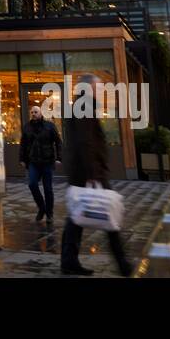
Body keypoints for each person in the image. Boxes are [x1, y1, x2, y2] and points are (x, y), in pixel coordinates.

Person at [61, 76, 131, 277]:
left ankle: (69, 261)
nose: (102, 90)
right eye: (98, 87)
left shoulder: (83, 105)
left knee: (77, 216)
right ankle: (122, 263)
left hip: (84, 171)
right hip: (89, 172)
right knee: (109, 214)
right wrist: (92, 173)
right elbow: (85, 142)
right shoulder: (83, 107)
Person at [19, 104, 62, 223]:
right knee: (32, 184)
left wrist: (59, 158)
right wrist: (22, 159)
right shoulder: (27, 127)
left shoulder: (49, 126)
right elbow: (23, 144)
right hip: (33, 161)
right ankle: (42, 208)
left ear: (41, 113)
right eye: (32, 112)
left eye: (36, 112)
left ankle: (50, 213)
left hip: (47, 161)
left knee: (48, 189)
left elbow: (58, 142)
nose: (33, 114)